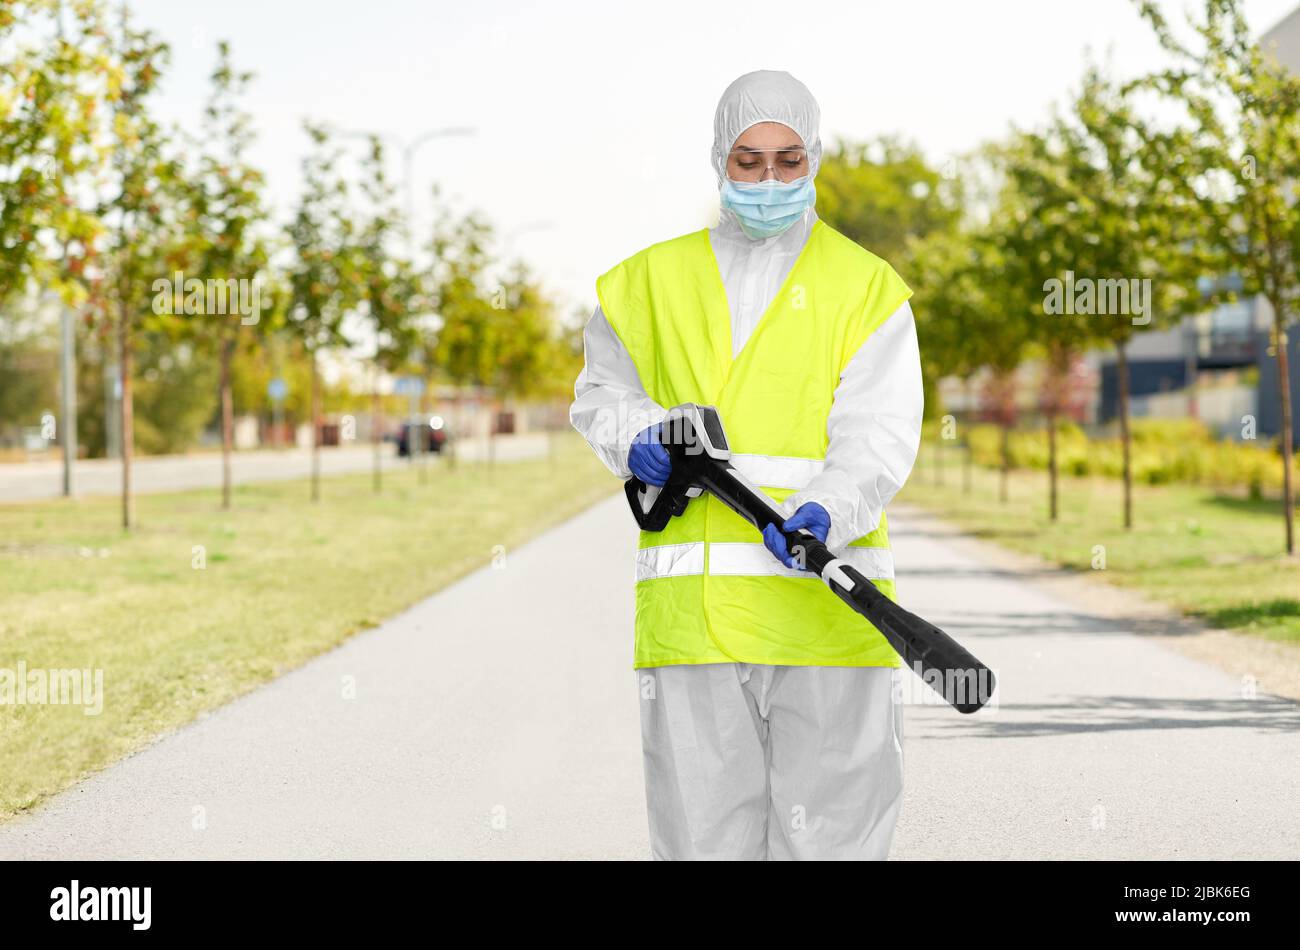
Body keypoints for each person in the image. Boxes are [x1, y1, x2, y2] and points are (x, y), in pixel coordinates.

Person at [570, 69, 923, 860]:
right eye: (750, 160)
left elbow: (880, 429)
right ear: (718, 162)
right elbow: (598, 396)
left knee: (833, 839)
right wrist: (639, 438)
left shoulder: (864, 288)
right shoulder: (646, 282)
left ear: (816, 159)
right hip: (694, 624)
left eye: (789, 160)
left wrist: (830, 505)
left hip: (828, 611)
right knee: (702, 842)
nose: (770, 179)